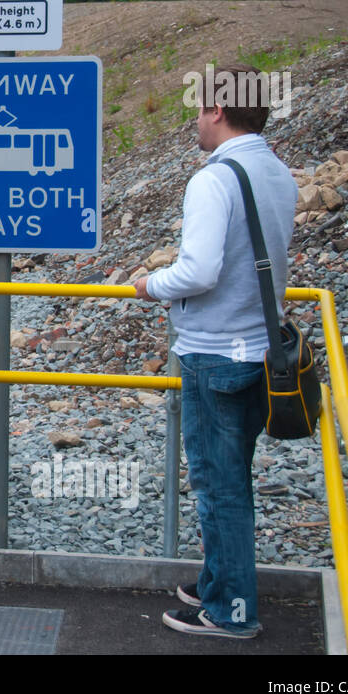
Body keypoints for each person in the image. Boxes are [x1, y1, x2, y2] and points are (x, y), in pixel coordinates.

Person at [134, 63, 297, 638]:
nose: (196, 121)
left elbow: (200, 270)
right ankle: (218, 580)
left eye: (200, 110)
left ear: (220, 111)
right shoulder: (277, 172)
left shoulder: (214, 178)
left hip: (212, 354)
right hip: (259, 352)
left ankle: (229, 610)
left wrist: (151, 285)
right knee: (235, 477)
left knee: (217, 485)